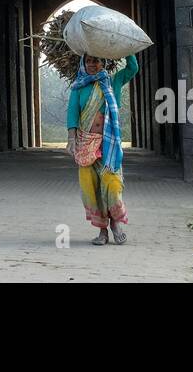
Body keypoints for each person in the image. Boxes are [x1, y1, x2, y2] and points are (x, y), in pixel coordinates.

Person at [66, 53, 138, 246]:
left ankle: (115, 224)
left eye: (96, 60)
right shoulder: (79, 87)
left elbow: (133, 69)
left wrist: (127, 49)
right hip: (85, 144)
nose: (92, 64)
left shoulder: (113, 81)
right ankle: (102, 231)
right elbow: (72, 112)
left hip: (108, 144)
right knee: (91, 188)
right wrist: (71, 138)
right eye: (88, 61)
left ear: (103, 62)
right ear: (83, 63)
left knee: (112, 184)